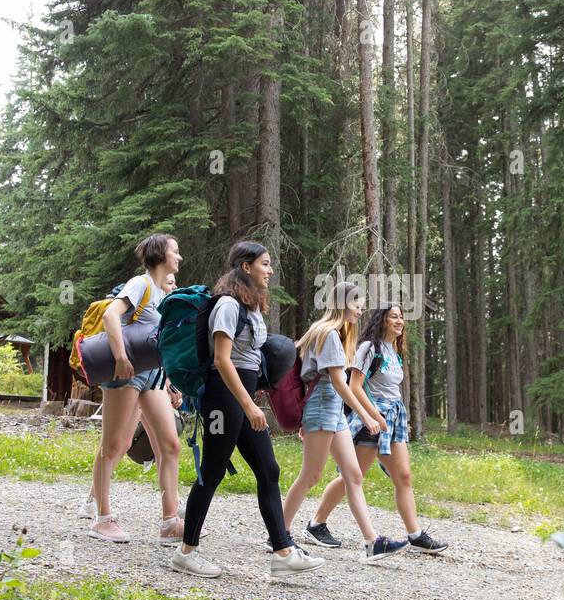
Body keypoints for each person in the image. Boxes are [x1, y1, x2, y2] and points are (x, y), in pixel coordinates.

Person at [171, 241, 324, 578]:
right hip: (221, 398)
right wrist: (248, 405)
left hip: (240, 396)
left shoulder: (251, 307)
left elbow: (251, 357)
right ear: (245, 267)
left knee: (268, 469)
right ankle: (186, 551)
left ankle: (282, 551)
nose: (270, 271)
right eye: (265, 264)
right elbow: (221, 360)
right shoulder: (227, 305)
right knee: (210, 473)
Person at [303, 305, 448, 554]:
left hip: (393, 418)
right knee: (353, 475)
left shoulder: (395, 351)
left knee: (403, 476)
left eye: (401, 317)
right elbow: (355, 386)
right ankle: (316, 524)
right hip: (371, 419)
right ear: (382, 320)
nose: (399, 321)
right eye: (394, 316)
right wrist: (372, 416)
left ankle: (414, 535)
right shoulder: (370, 348)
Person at [281, 284, 410, 563]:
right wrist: (367, 416)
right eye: (357, 305)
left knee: (353, 475)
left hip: (332, 410)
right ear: (343, 304)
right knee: (310, 475)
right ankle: (279, 534)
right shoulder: (327, 333)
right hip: (323, 407)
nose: (361, 310)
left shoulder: (331, 334)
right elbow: (339, 381)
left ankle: (372, 542)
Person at [81, 234, 185, 546]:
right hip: (125, 374)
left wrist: (170, 384)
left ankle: (170, 522)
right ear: (160, 255)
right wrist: (121, 357)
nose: (179, 257)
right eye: (175, 252)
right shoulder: (140, 283)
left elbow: (158, 344)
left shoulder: (163, 293)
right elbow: (112, 315)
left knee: (170, 445)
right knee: (115, 445)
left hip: (151, 377)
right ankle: (102, 518)